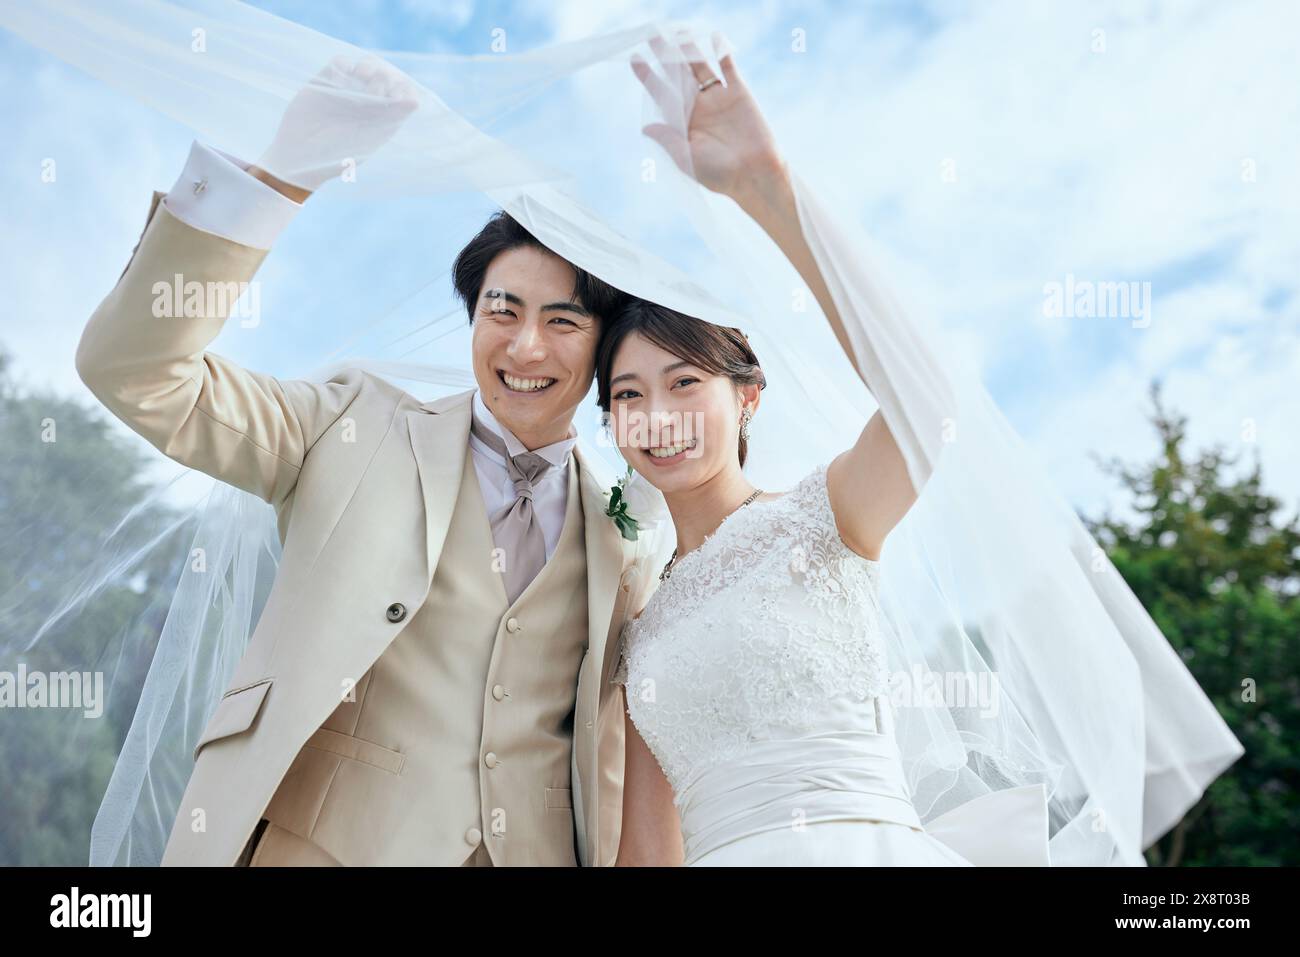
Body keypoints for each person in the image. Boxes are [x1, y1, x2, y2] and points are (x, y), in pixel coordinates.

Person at [74, 55, 671, 866]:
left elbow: (611, 755)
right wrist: (280, 178)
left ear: (603, 350)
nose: (525, 345)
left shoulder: (625, 534)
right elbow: (136, 372)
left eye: (563, 321)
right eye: (503, 309)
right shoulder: (349, 422)